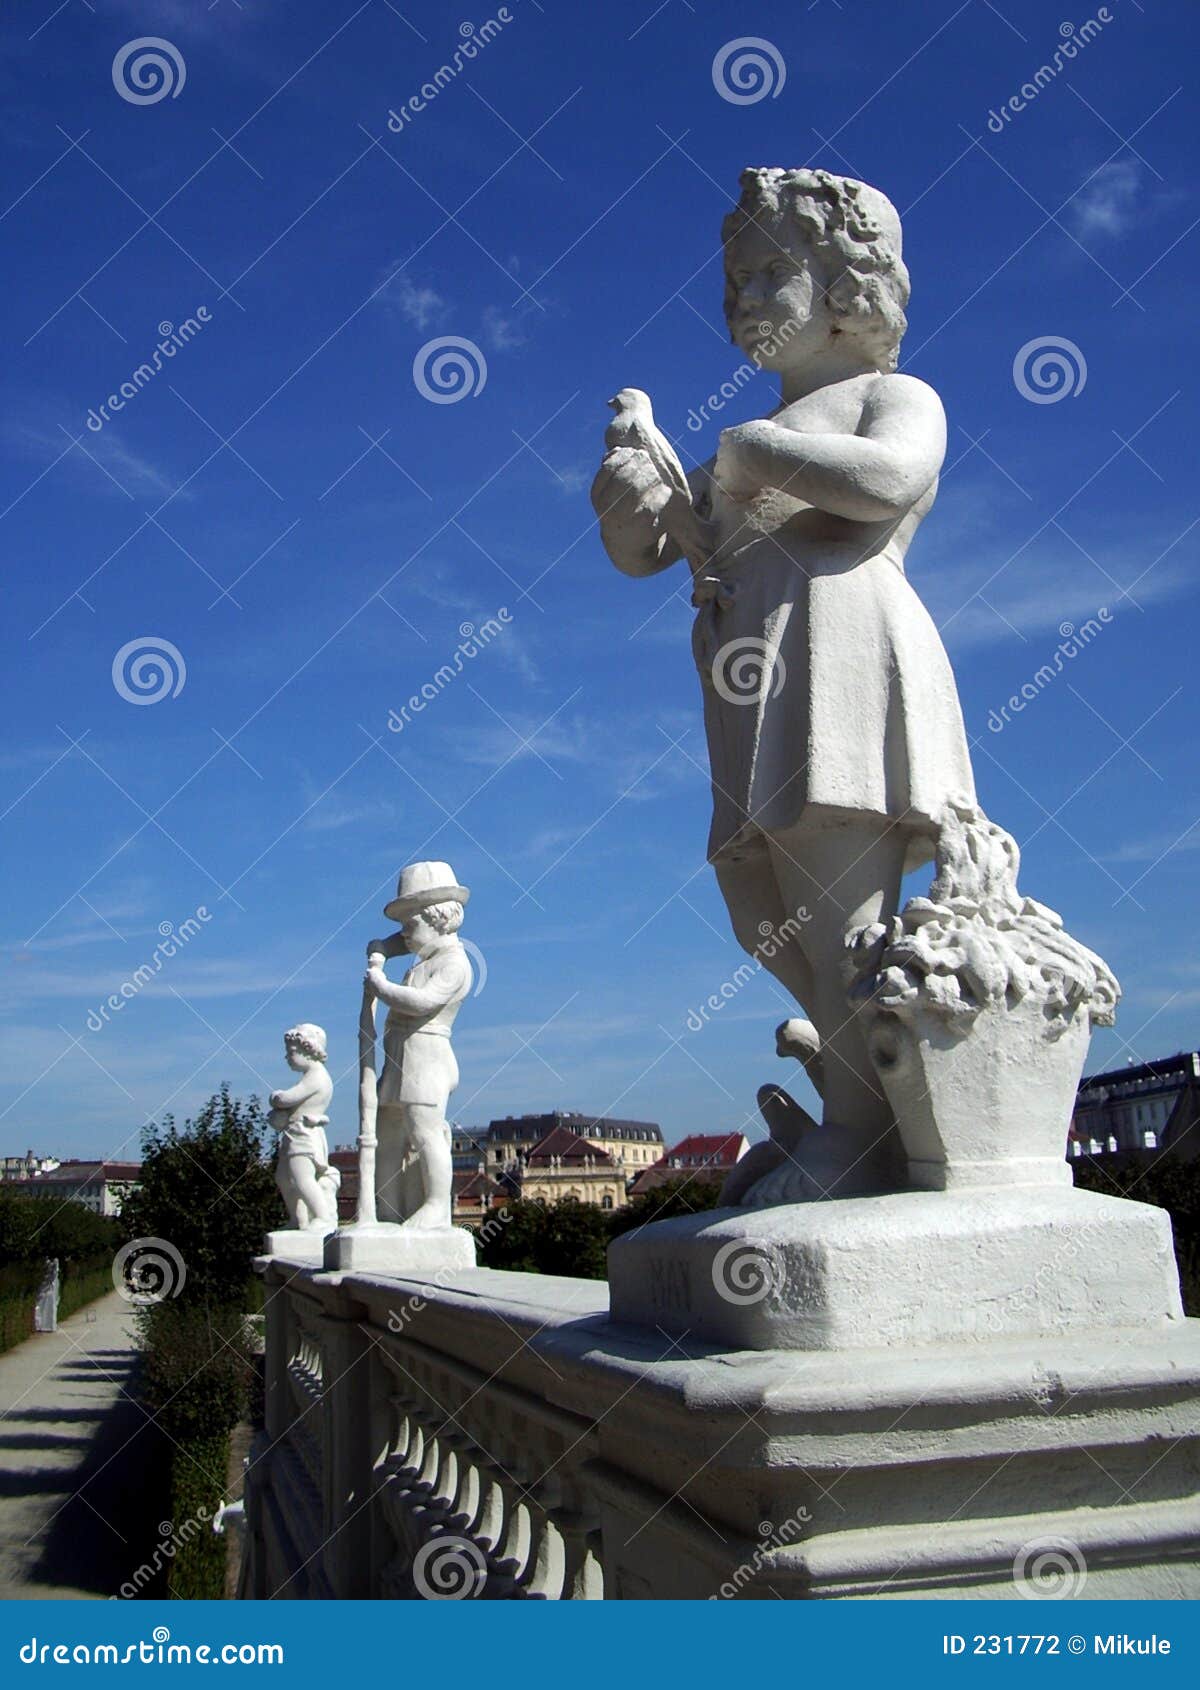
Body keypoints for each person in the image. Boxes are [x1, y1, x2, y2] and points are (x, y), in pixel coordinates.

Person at [593, 168, 977, 1198]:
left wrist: (752, 450)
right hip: (747, 682)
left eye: (772, 273)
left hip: (837, 650)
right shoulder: (746, 445)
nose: (746, 297)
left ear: (848, 286)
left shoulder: (892, 398)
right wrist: (631, 507)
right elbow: (657, 551)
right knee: (758, 906)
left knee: (837, 904)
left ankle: (860, 1135)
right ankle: (865, 1106)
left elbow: (886, 482)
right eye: (737, 280)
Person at [365, 861, 472, 1229]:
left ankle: (436, 1205)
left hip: (426, 1060)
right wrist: (383, 947)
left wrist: (381, 986)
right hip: (401, 1058)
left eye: (408, 926)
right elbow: (407, 939)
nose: (404, 936)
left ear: (438, 919)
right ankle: (388, 1207)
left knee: (424, 1130)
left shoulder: (454, 964)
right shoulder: (428, 952)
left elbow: (421, 1003)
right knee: (387, 1131)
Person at [270, 1023, 340, 1231]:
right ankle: (298, 1219)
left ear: (309, 1049)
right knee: (284, 1178)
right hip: (294, 1134)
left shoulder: (317, 1076)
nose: (287, 1057)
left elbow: (287, 1098)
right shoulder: (310, 1076)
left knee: (302, 1178)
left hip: (304, 1135)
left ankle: (323, 1216)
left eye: (292, 1051)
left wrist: (275, 1097)